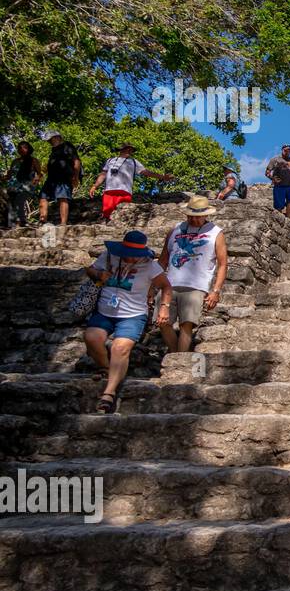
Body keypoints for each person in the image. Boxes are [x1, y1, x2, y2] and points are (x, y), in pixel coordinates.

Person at [83, 230, 172, 414]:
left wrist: (164, 307)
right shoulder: (109, 256)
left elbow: (166, 285)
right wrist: (99, 275)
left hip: (133, 314)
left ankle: (109, 393)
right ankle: (106, 368)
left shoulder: (150, 266)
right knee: (91, 338)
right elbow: (89, 269)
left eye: (135, 255)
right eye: (128, 253)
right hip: (104, 311)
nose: (131, 258)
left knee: (120, 348)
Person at [158, 196, 228, 354]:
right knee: (163, 322)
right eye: (190, 216)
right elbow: (163, 259)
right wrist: (151, 285)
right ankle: (177, 356)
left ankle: (177, 361)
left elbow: (223, 263)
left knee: (187, 324)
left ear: (205, 215)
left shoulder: (216, 233)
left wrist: (215, 291)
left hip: (197, 285)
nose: (193, 220)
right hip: (169, 284)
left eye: (197, 217)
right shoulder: (174, 230)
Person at [89, 143, 173, 221]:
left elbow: (146, 172)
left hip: (125, 192)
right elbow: (103, 174)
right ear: (121, 150)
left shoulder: (134, 162)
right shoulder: (110, 160)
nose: (129, 151)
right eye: (127, 149)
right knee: (107, 216)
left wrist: (162, 177)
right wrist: (95, 186)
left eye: (131, 150)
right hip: (109, 191)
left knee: (122, 217)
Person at [39, 133, 81, 226]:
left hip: (64, 177)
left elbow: (76, 161)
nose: (49, 142)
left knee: (63, 197)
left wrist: (76, 176)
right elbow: (52, 164)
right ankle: (43, 220)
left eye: (51, 139)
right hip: (51, 178)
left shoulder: (67, 146)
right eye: (48, 140)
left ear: (57, 137)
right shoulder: (53, 150)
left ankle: (63, 223)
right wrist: (42, 173)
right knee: (43, 196)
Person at [4, 141, 43, 228]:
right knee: (11, 202)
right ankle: (12, 224)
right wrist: (5, 177)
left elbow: (40, 173)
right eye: (19, 148)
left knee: (19, 200)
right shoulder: (15, 161)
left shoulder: (33, 160)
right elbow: (10, 175)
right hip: (14, 185)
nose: (21, 149)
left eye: (24, 147)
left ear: (28, 149)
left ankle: (22, 221)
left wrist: (35, 180)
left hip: (27, 185)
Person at [265, 145, 290, 219]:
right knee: (278, 205)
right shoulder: (275, 160)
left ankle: (288, 219)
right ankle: (280, 220)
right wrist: (272, 178)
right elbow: (267, 172)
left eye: (289, 150)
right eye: (285, 150)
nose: (287, 152)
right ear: (282, 150)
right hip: (279, 186)